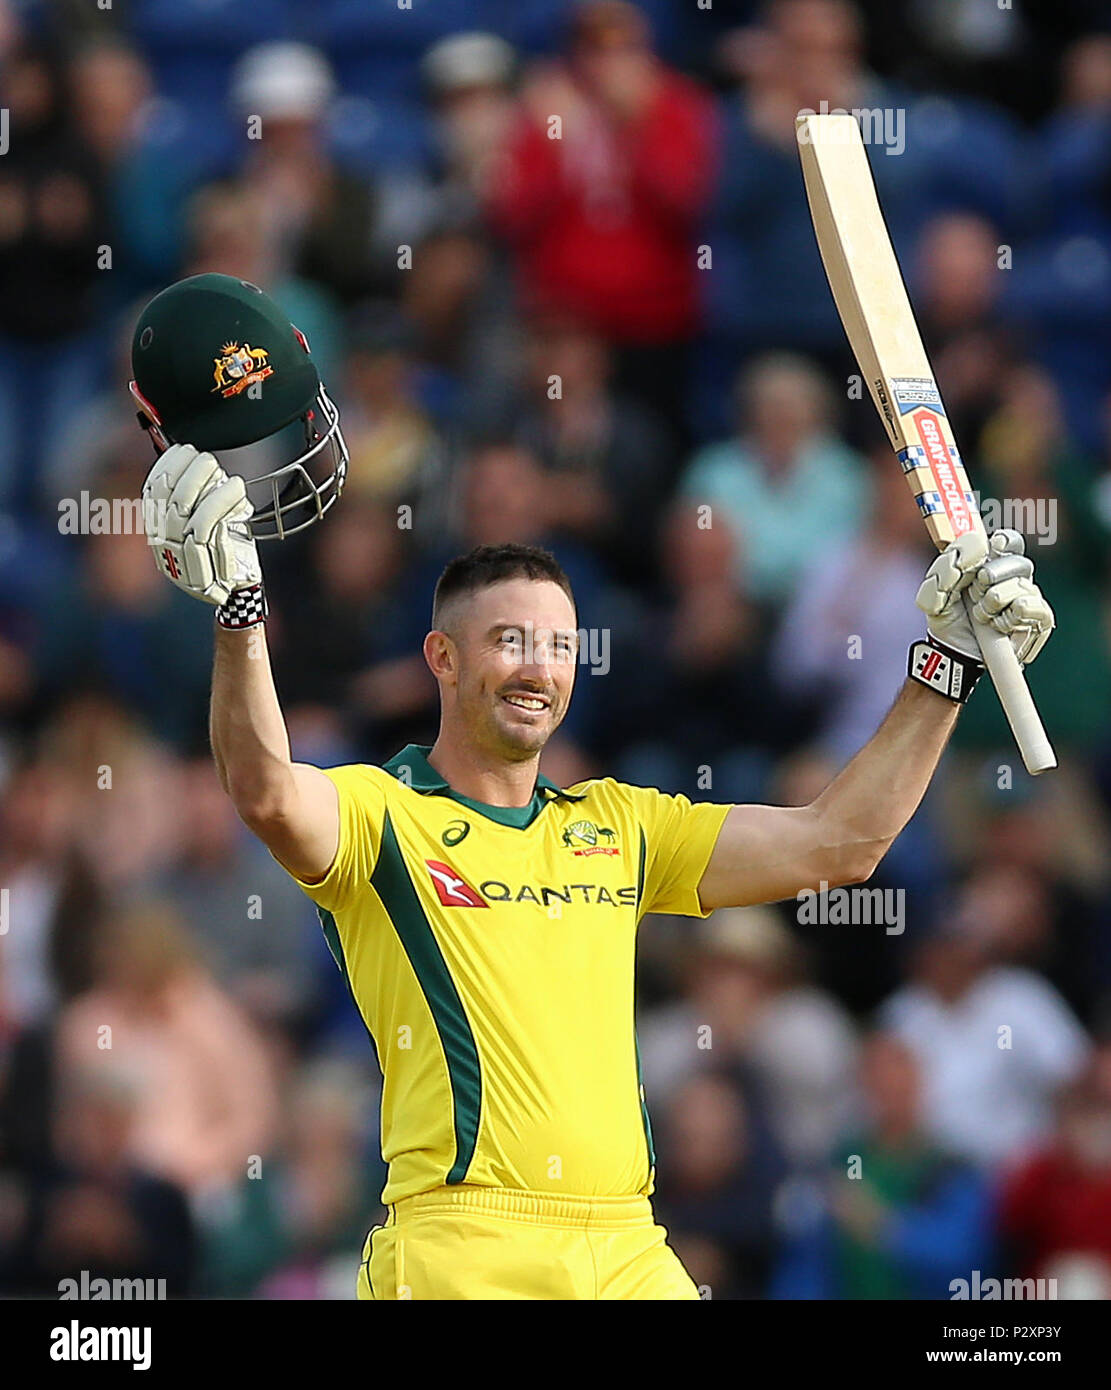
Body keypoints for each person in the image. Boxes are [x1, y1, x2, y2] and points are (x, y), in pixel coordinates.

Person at [133, 273, 1055, 1300]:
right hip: (461, 1245)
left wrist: (945, 666)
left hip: (625, 1243)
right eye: (509, 642)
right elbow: (262, 787)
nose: (537, 666)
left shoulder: (615, 824)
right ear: (440, 657)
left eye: (559, 645)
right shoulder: (380, 814)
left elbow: (841, 844)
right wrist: (240, 610)